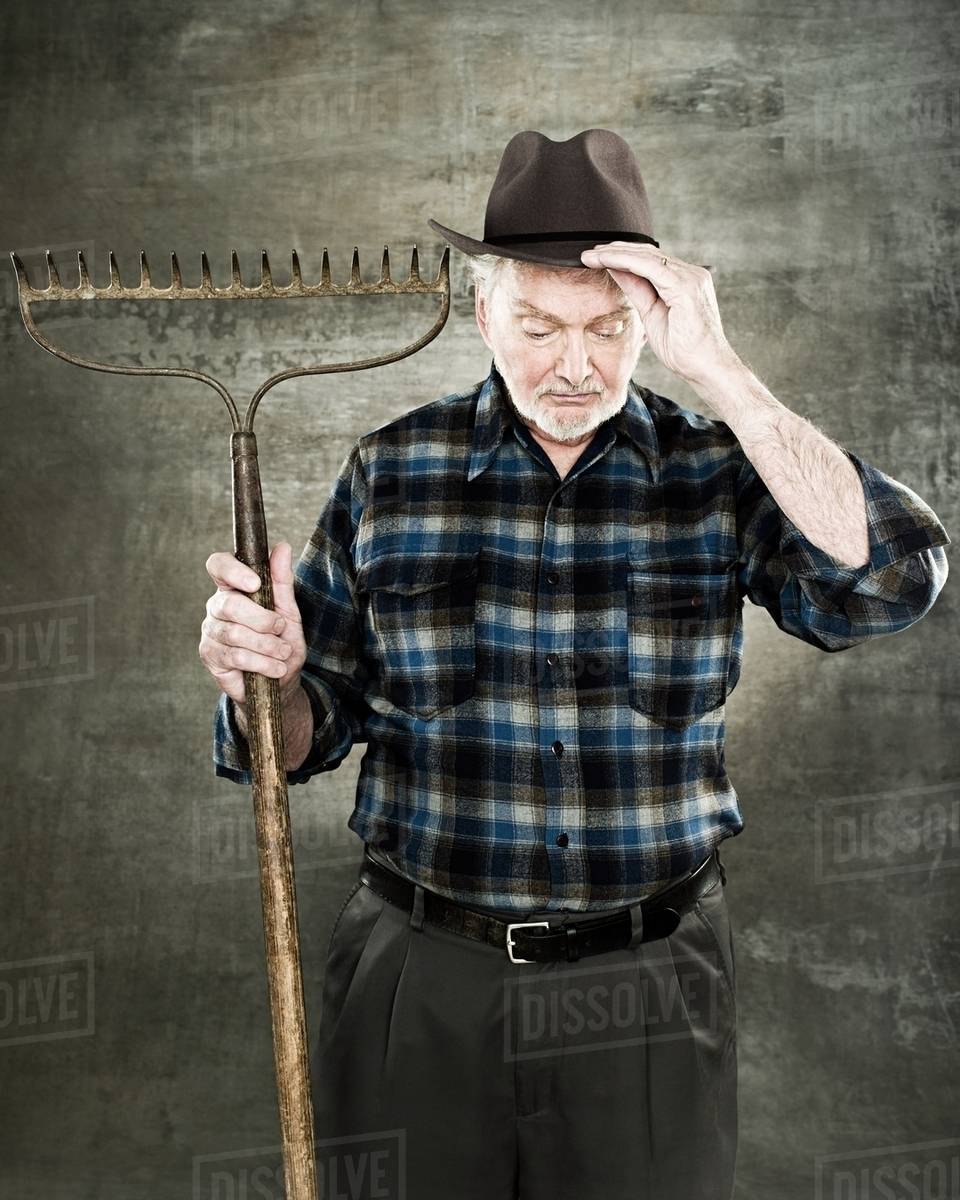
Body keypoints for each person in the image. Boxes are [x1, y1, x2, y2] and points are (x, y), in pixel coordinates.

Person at [198, 129, 951, 1199]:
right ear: (481, 311)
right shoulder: (393, 469)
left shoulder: (721, 472)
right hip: (422, 976)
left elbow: (895, 579)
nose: (575, 365)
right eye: (539, 325)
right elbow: (300, 737)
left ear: (653, 317)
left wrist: (724, 372)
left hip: (650, 982)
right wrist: (258, 680)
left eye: (609, 328)